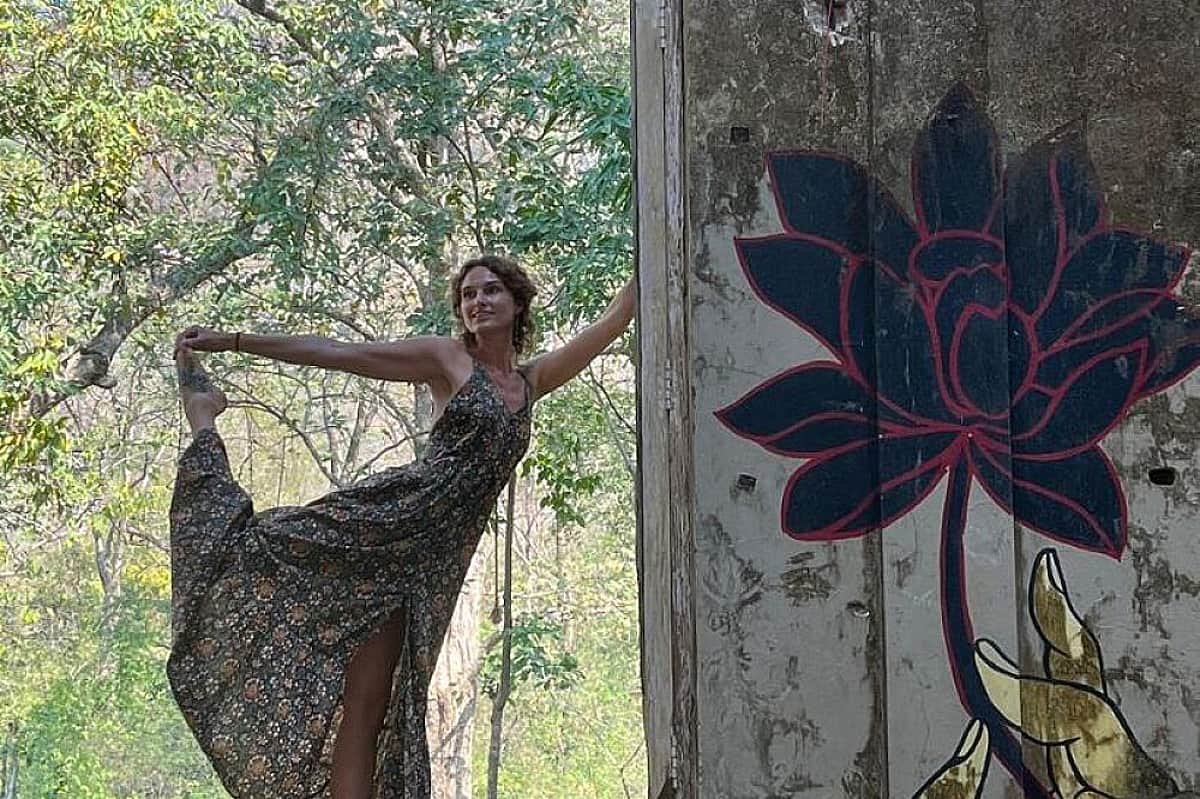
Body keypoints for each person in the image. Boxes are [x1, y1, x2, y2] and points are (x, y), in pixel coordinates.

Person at [168, 254, 636, 798]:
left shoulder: (531, 382)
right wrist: (235, 341)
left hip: (431, 561)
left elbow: (615, 318)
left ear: (517, 302)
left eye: (490, 291)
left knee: (373, 698)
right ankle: (203, 414)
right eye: (467, 296)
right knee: (252, 548)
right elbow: (338, 353)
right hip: (391, 521)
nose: (477, 302)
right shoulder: (447, 359)